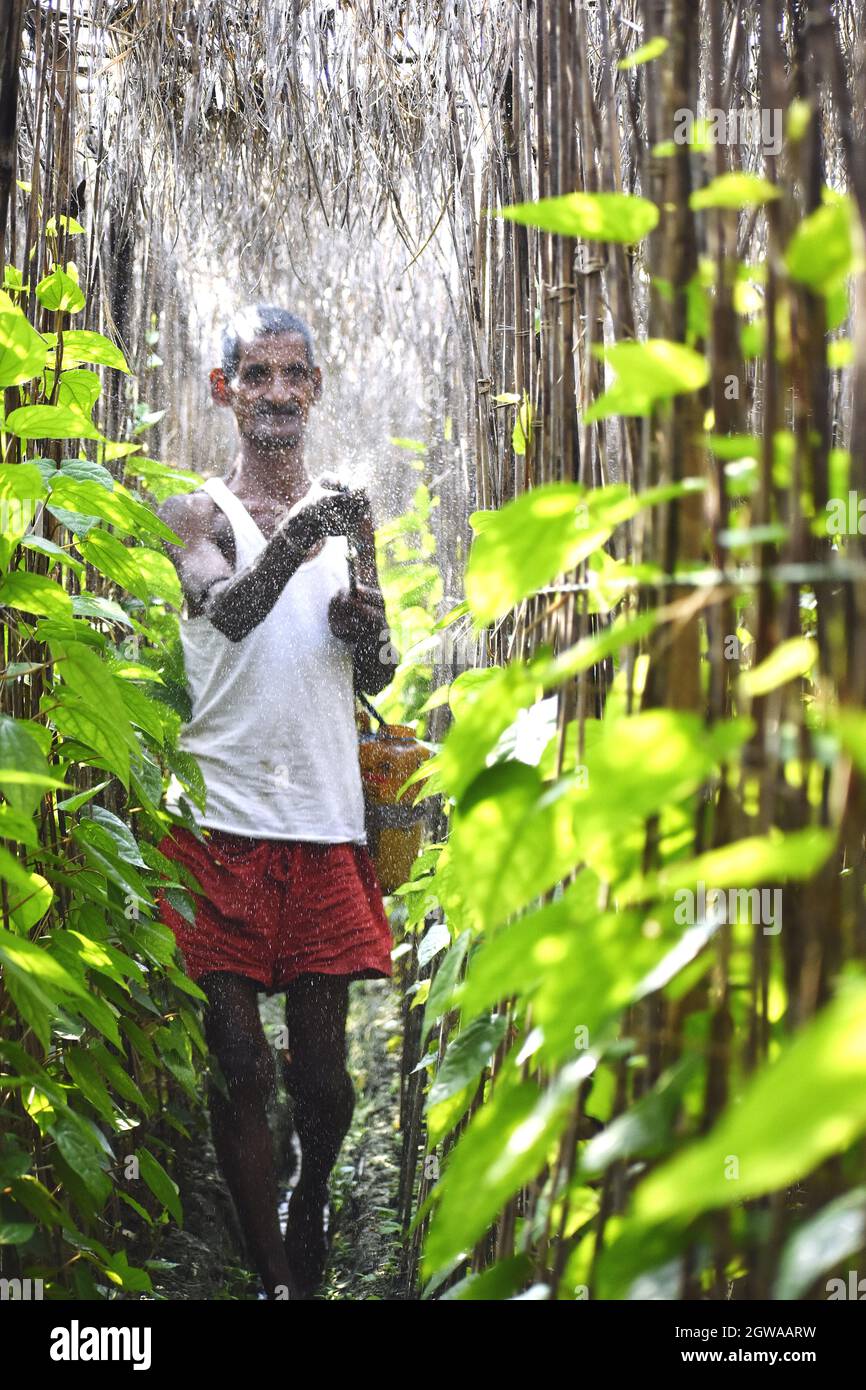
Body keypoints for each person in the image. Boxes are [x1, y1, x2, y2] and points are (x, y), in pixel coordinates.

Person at [154, 304, 399, 1301]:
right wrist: (306, 532)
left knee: (323, 1079)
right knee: (240, 1066)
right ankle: (273, 1279)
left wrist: (363, 621)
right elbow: (231, 612)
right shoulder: (193, 514)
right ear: (225, 390)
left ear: (316, 387)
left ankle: (310, 1198)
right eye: (255, 375)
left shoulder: (350, 513)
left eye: (294, 375)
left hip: (324, 826)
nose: (277, 394)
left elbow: (378, 659)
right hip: (217, 824)